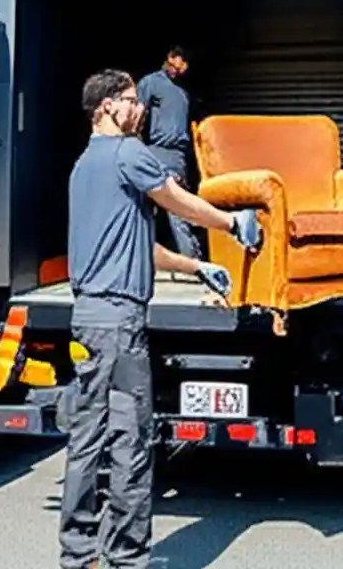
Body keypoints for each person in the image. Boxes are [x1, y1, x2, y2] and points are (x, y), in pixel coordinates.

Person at [60, 68, 262, 569]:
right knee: (131, 439)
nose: (140, 108)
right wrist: (232, 223)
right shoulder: (129, 153)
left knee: (86, 440)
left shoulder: (84, 166)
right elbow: (180, 201)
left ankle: (78, 555)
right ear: (107, 107)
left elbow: (137, 244)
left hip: (88, 319)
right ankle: (127, 557)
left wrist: (196, 267)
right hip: (118, 323)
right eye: (131, 100)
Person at [138, 46, 202, 260]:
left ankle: (193, 264)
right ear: (171, 58)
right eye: (180, 62)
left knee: (179, 211)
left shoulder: (185, 93)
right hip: (155, 153)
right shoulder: (151, 83)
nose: (182, 69)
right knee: (145, 211)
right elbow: (138, 116)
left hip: (177, 158)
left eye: (185, 65)